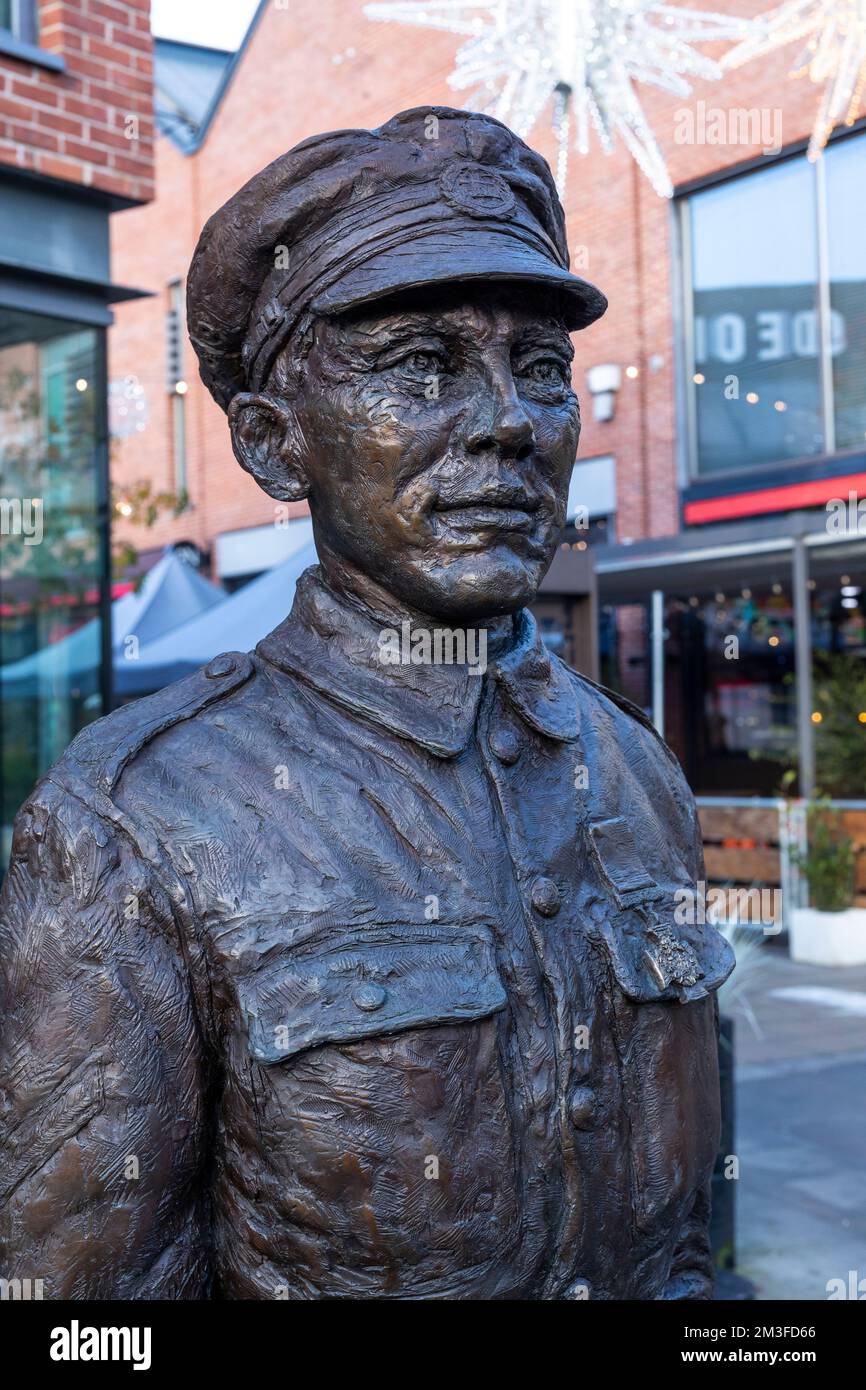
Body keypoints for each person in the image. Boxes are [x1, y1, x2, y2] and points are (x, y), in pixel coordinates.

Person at [0, 107, 733, 1300]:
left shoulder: (634, 771)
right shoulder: (131, 824)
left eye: (538, 367)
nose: (506, 420)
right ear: (275, 447)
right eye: (421, 367)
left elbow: (686, 1244)